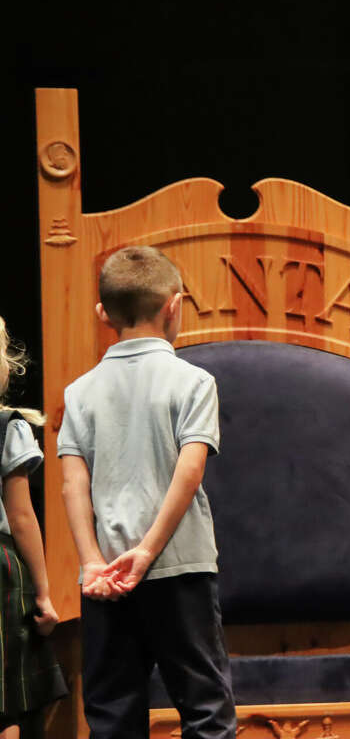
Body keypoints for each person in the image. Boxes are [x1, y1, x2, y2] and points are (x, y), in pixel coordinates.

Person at [58, 246, 236, 739]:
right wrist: (148, 552)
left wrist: (93, 561)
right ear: (174, 305)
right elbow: (190, 471)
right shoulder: (195, 381)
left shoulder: (79, 392)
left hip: (105, 579)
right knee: (205, 711)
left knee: (112, 716)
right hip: (179, 570)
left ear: (103, 314)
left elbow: (73, 483)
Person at [0, 317, 67, 735]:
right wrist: (44, 593)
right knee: (6, 703)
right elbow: (22, 516)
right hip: (2, 572)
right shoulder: (8, 426)